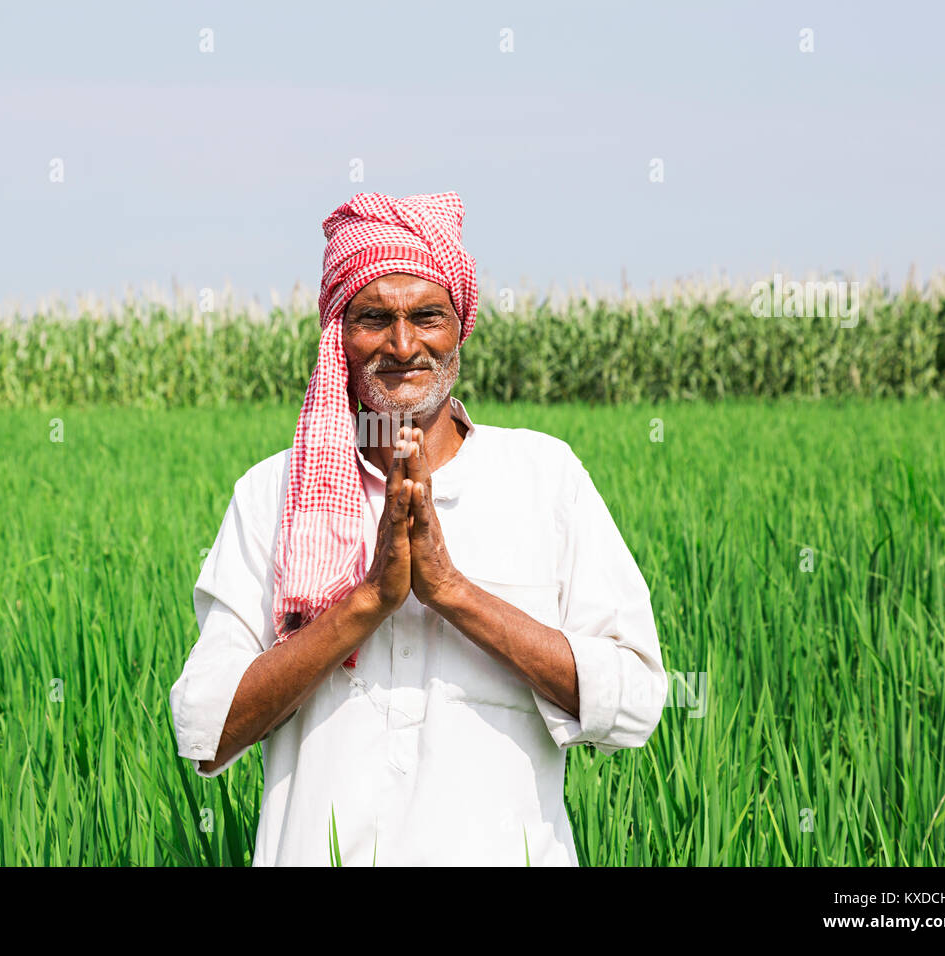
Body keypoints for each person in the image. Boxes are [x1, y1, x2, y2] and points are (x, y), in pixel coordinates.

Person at [169, 191, 667, 865]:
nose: (404, 345)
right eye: (374, 317)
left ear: (459, 327)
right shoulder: (273, 493)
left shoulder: (542, 475)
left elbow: (636, 703)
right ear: (338, 335)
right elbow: (205, 727)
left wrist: (453, 593)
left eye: (427, 316)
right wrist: (368, 601)